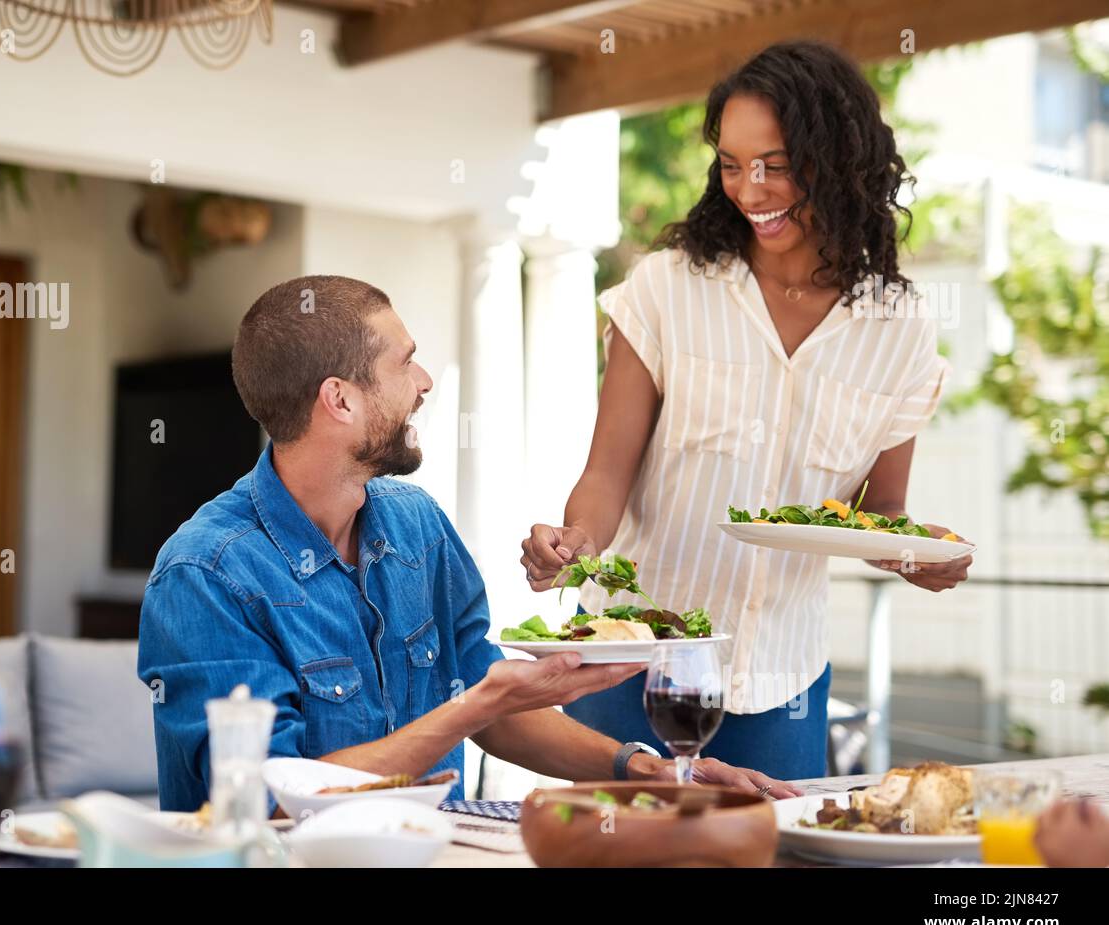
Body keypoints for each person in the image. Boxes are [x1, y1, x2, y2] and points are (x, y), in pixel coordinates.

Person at [138, 275, 803, 812]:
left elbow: (491, 708)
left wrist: (649, 771)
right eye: (404, 362)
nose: (425, 381)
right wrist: (476, 703)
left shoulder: (415, 525)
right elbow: (264, 799)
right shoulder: (205, 573)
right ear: (339, 400)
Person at [520, 41, 971, 781]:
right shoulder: (668, 288)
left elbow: (881, 510)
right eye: (731, 164)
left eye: (776, 163)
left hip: (780, 688)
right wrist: (572, 543)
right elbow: (606, 474)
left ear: (842, 156)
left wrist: (917, 557)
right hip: (631, 668)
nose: (750, 189)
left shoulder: (901, 326)